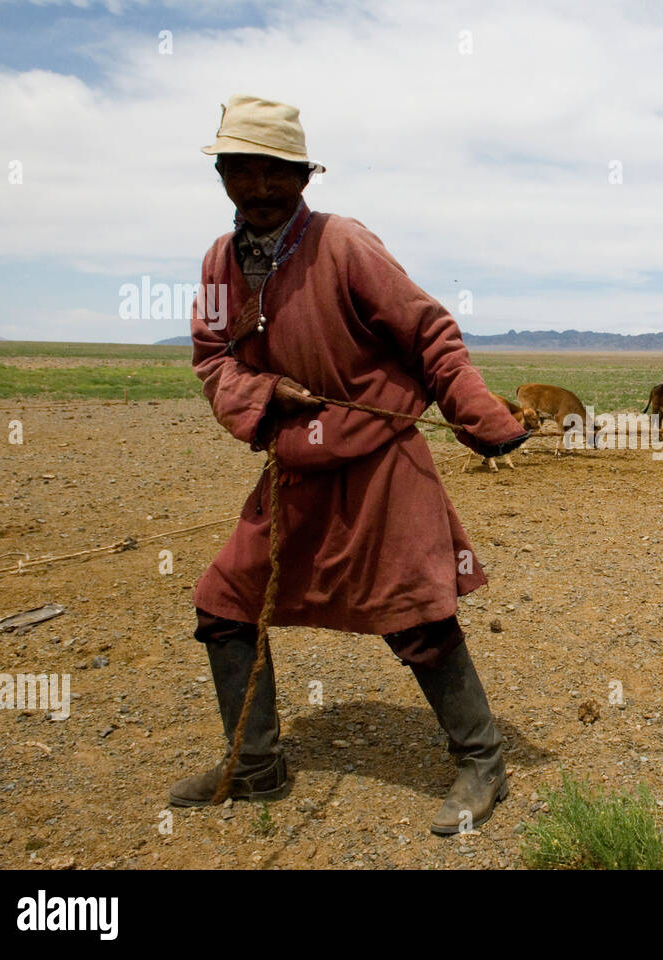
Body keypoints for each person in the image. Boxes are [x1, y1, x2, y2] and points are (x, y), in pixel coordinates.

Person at [170, 94, 529, 835]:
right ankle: (257, 766)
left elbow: (429, 333)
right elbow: (213, 359)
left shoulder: (346, 245)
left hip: (379, 460)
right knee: (224, 603)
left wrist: (476, 415)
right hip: (294, 466)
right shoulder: (216, 263)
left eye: (279, 173)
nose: (262, 187)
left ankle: (481, 763)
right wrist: (265, 390)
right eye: (245, 170)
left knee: (418, 616)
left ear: (303, 176)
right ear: (224, 174)